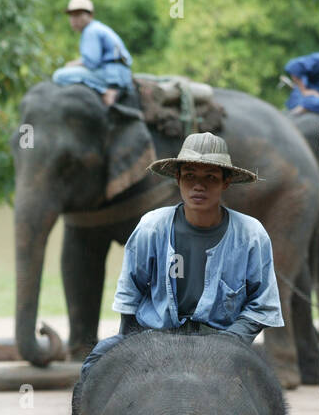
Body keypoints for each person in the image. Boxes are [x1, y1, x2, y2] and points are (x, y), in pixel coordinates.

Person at [80, 133, 283, 377]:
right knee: (94, 363)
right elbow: (130, 293)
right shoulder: (151, 227)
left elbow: (262, 305)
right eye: (189, 176)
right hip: (156, 336)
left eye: (210, 177)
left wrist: (229, 343)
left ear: (226, 182)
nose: (199, 185)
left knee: (267, 389)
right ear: (177, 179)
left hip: (222, 341)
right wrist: (133, 344)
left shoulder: (251, 234)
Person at [52, 0, 133, 108]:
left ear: (90, 15)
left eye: (79, 14)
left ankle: (104, 92)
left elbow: (92, 62)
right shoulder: (98, 28)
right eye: (72, 15)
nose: (74, 19)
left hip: (112, 75)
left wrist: (72, 64)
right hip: (120, 72)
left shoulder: (90, 31)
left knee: (59, 75)